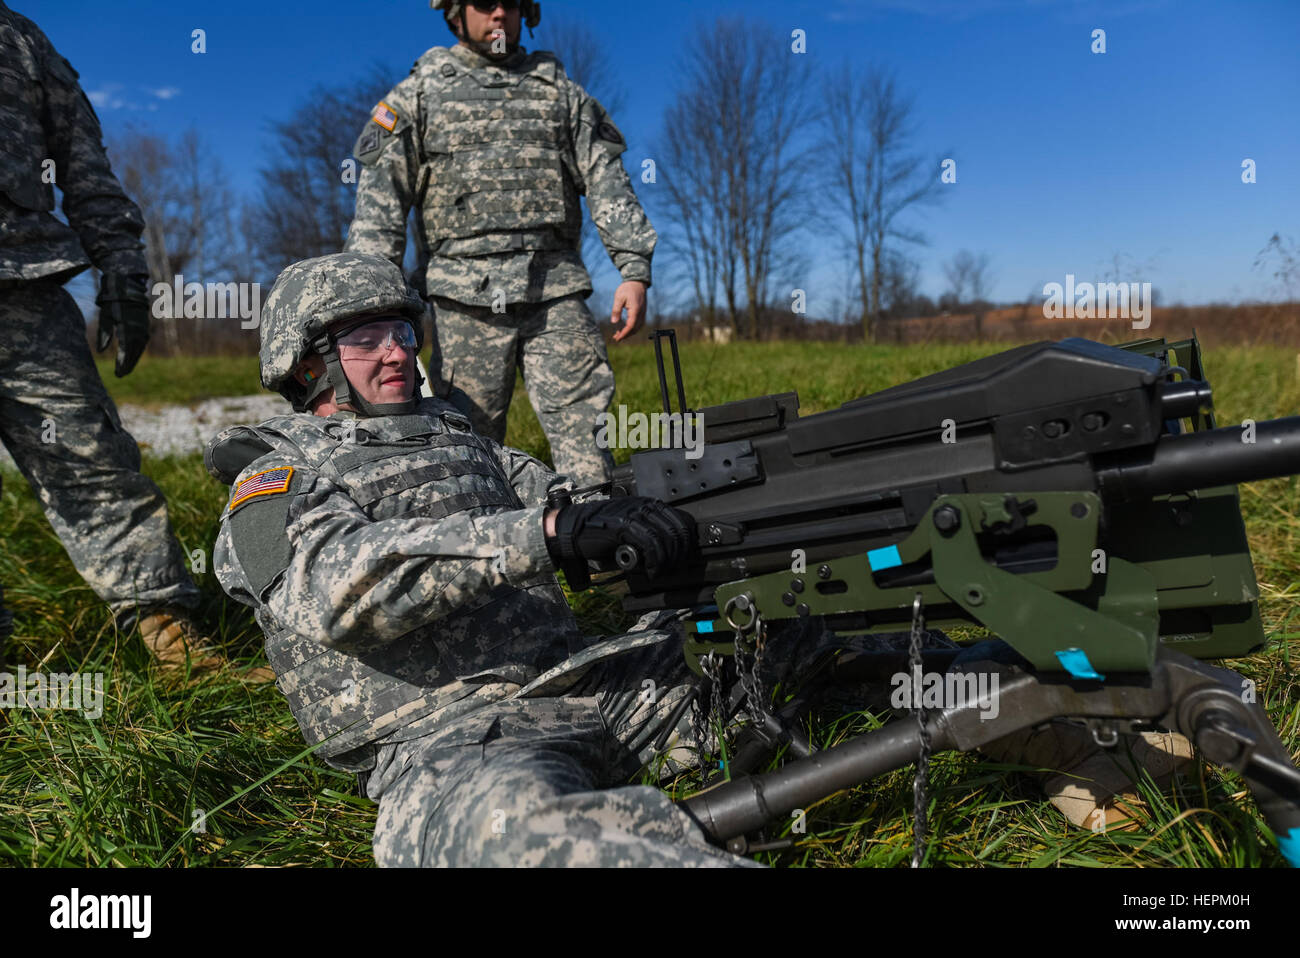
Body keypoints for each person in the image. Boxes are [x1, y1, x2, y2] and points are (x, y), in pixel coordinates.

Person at [210, 252, 750, 866]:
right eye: (367, 340)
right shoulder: (274, 476)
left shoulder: (459, 437)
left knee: (776, 633)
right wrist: (545, 535)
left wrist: (628, 520)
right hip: (456, 741)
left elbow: (563, 502)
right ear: (308, 363)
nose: (397, 353)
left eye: (403, 333)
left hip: (589, 686)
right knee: (520, 838)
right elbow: (336, 591)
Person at [0, 2, 265, 680]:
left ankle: (166, 629)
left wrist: (123, 267)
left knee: (93, 464)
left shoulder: (21, 39)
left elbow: (82, 161)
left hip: (23, 286)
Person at [344, 0, 656, 489]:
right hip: (464, 304)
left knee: (586, 439)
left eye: (509, 4)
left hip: (555, 293)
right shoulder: (419, 95)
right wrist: (369, 304)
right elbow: (380, 205)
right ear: (455, 12)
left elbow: (607, 178)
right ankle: (496, 555)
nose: (498, 14)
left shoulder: (560, 94)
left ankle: (600, 545)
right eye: (484, 3)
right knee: (468, 448)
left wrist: (634, 268)